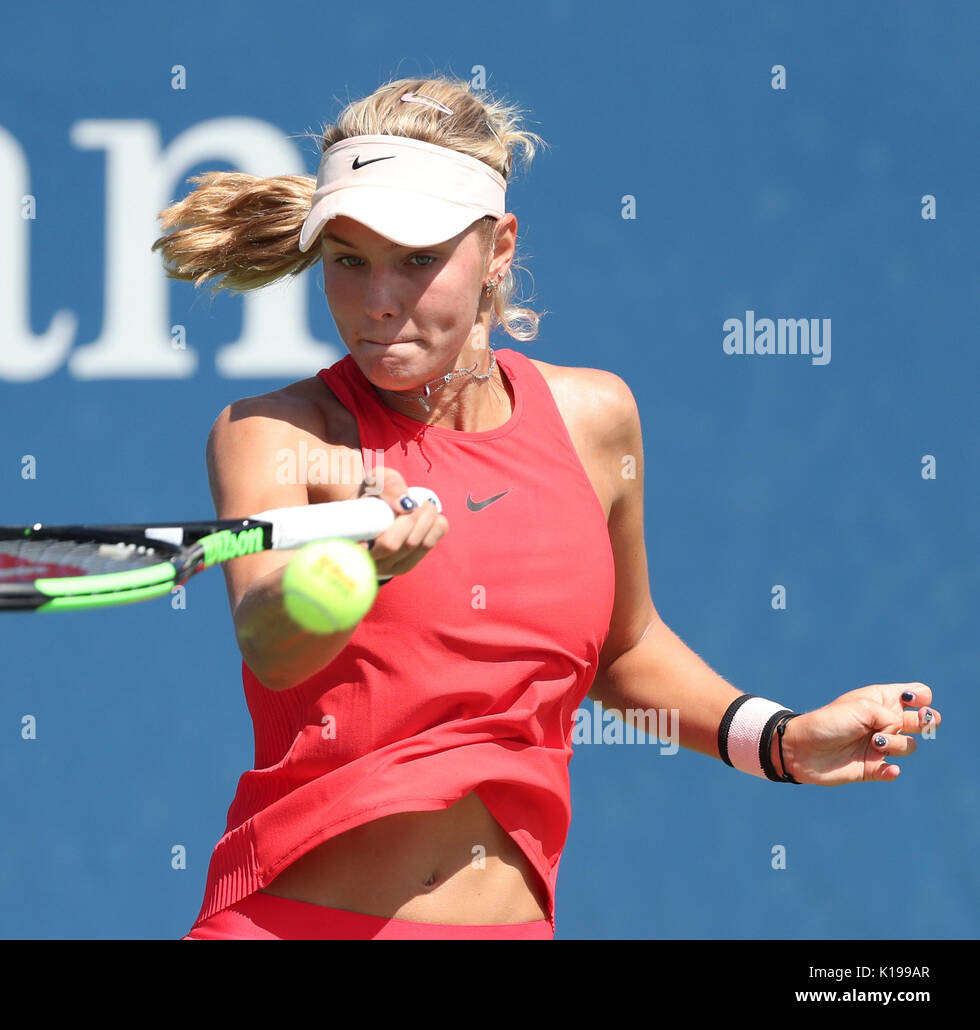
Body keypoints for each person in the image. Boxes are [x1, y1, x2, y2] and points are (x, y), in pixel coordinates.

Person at [152, 75, 941, 940]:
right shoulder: (274, 432)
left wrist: (779, 740)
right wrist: (352, 568)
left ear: (499, 248)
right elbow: (269, 644)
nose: (378, 300)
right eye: (348, 260)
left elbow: (624, 646)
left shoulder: (596, 419)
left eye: (418, 260)